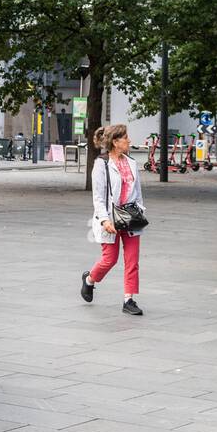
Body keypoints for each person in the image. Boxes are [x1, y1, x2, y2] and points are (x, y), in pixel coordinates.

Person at [80, 123, 145, 316]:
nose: (129, 140)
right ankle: (89, 280)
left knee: (132, 261)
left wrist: (139, 211)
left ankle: (129, 300)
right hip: (111, 219)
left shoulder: (132, 162)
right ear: (116, 142)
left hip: (131, 218)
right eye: (126, 137)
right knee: (110, 259)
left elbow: (138, 192)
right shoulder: (102, 164)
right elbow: (98, 197)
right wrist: (104, 220)